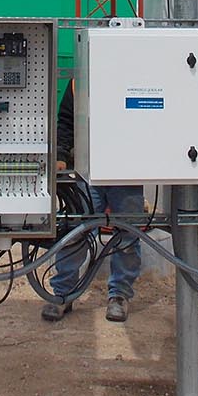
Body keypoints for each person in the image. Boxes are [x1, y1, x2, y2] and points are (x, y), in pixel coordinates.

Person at [41, 82, 144, 324]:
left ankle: (119, 295)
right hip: (88, 168)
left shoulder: (133, 75)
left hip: (126, 168)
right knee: (77, 231)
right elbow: (66, 120)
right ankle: (63, 293)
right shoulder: (81, 79)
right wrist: (62, 155)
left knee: (127, 233)